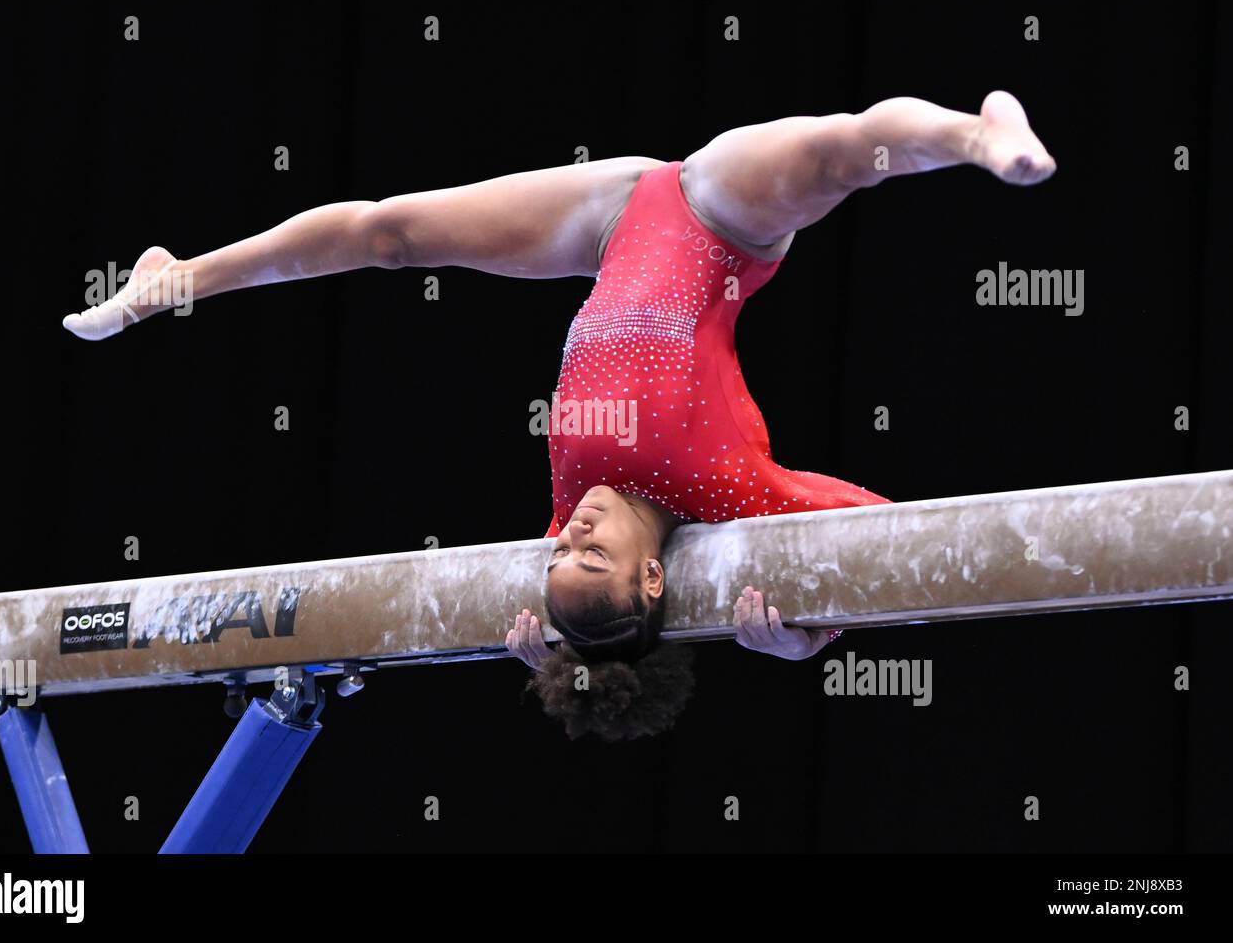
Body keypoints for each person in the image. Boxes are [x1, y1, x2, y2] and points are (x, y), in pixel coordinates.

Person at [64, 92, 1055, 740]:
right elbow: (910, 544)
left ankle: (180, 276)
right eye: (592, 558)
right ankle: (978, 132)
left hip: (614, 218)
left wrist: (566, 666)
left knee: (391, 236)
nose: (569, 537)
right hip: (716, 225)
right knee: (842, 153)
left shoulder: (574, 520)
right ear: (654, 573)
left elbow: (574, 634)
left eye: (559, 559)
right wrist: (811, 634)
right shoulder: (737, 503)